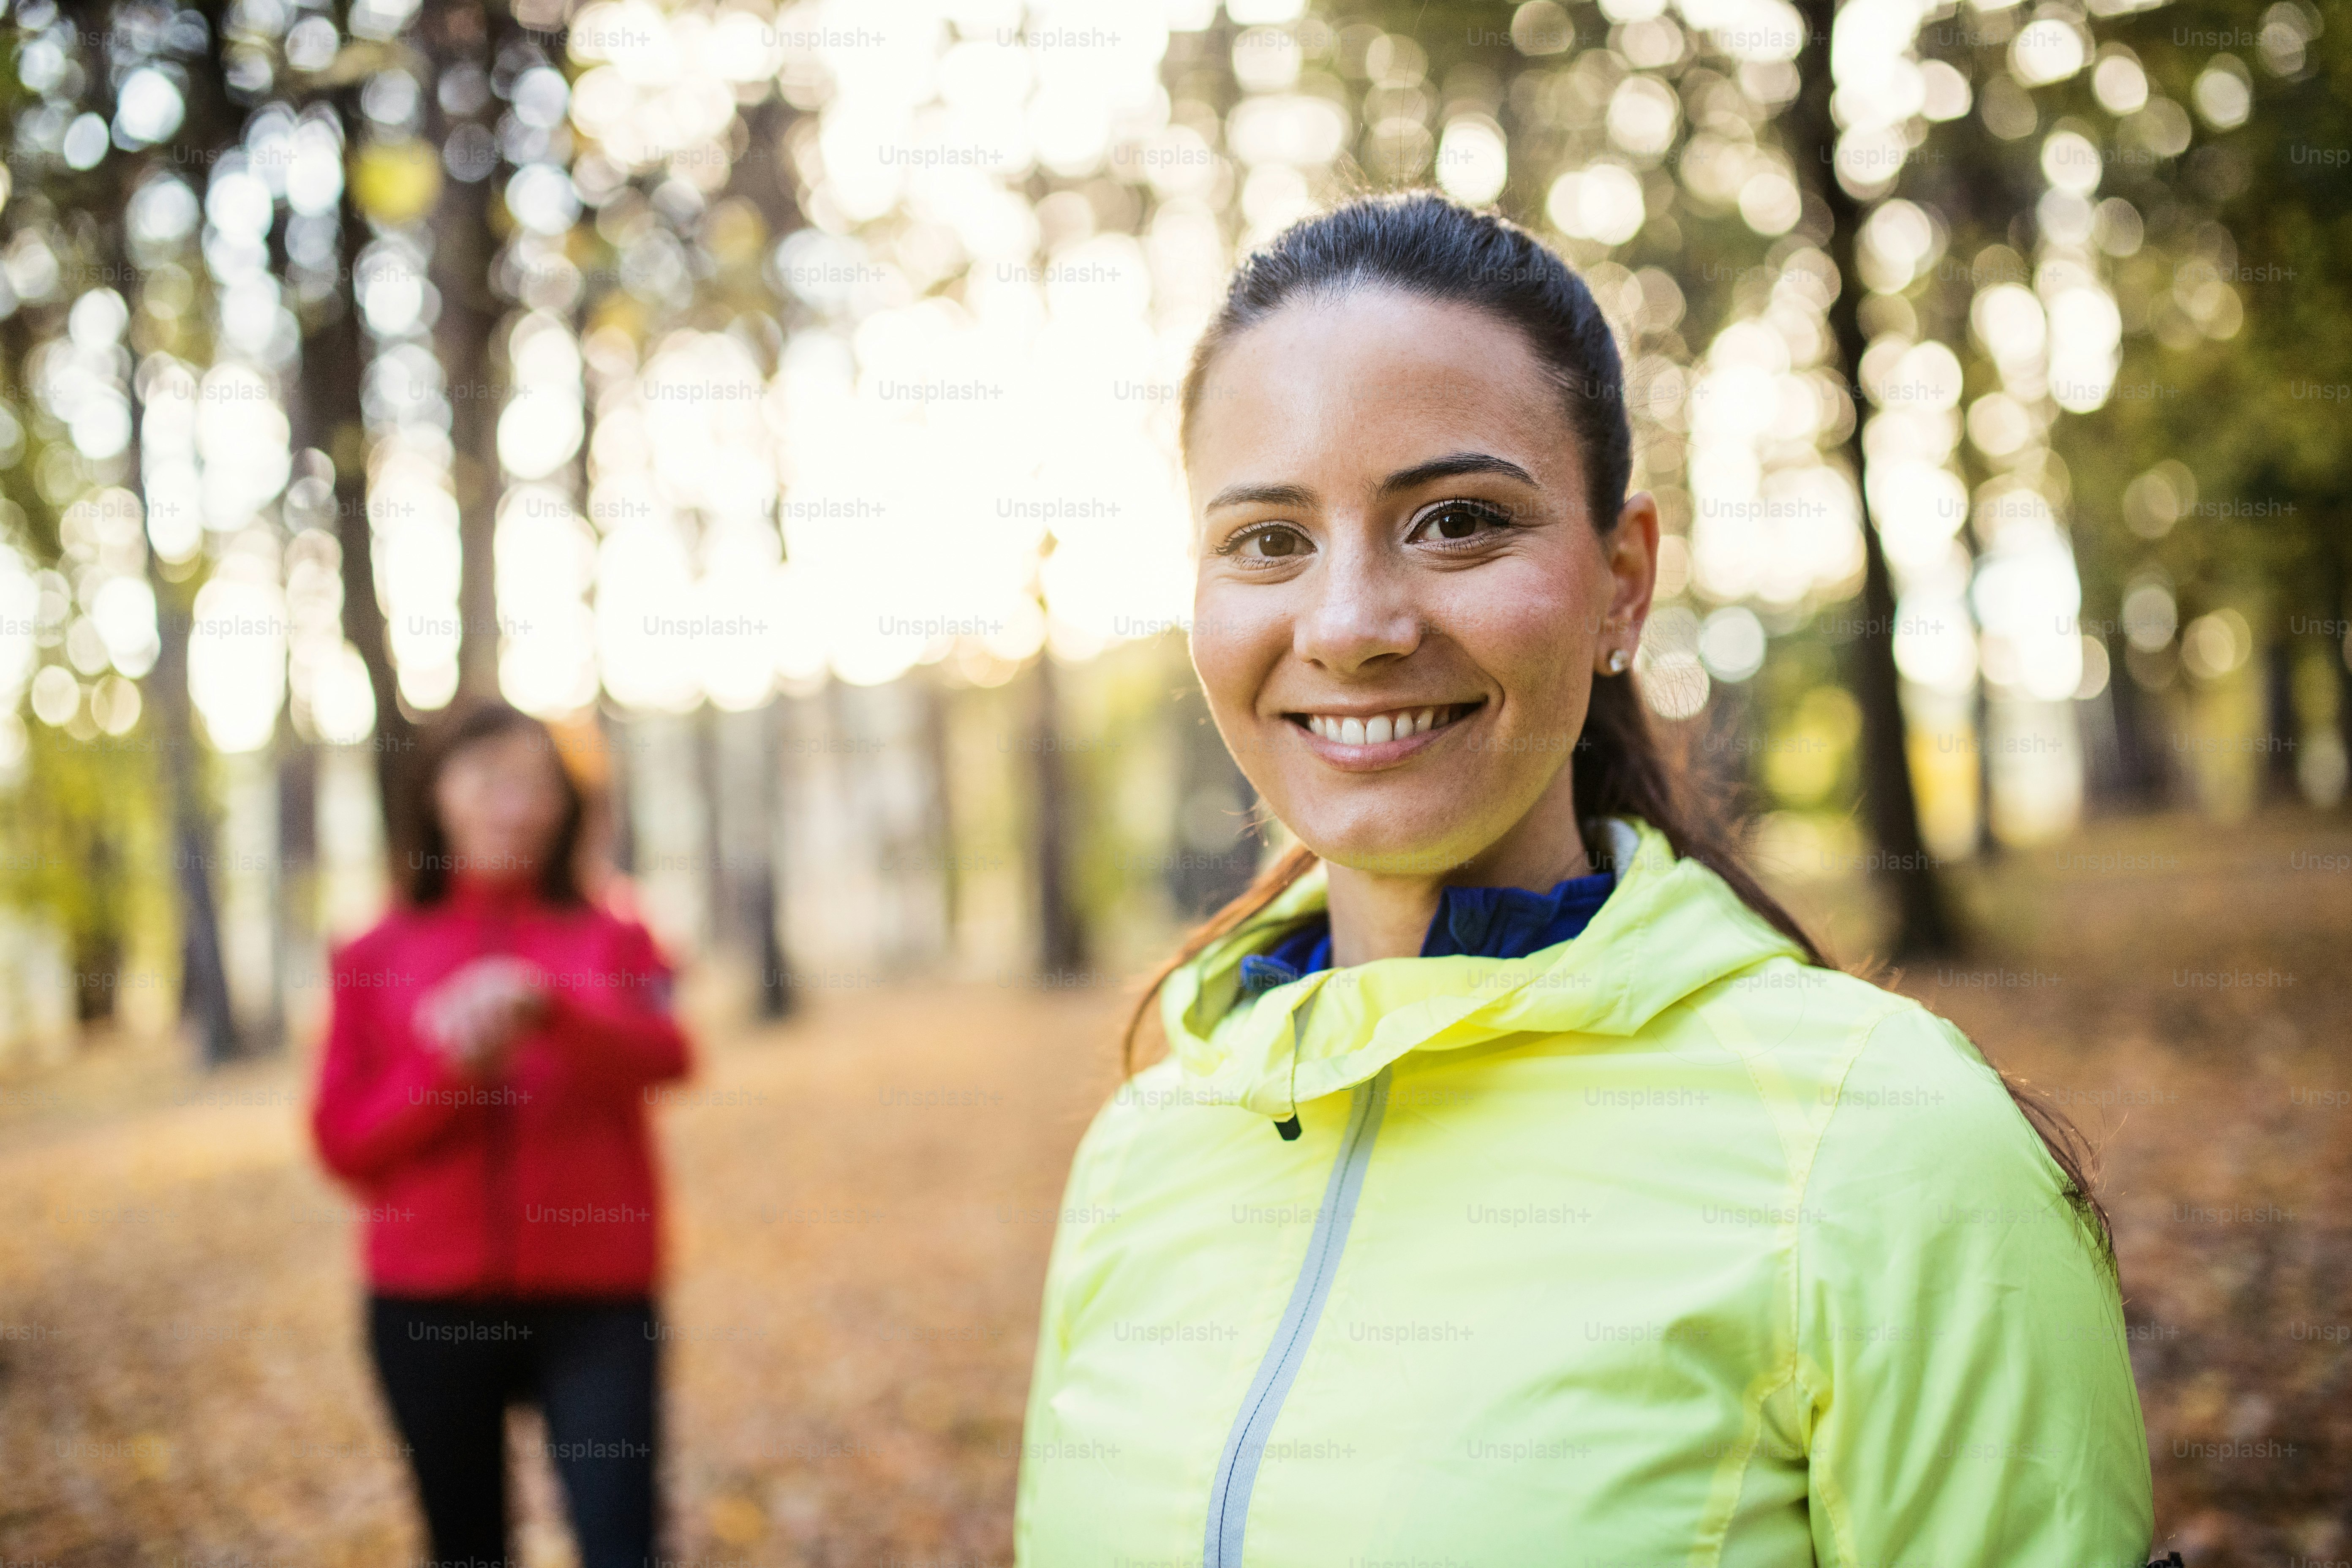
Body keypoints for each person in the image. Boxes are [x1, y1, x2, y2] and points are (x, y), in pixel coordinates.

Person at [1013, 194, 2156, 1563]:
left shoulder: (1890, 1150)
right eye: (1268, 539)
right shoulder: (1141, 1149)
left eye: (1453, 520)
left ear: (1619, 581)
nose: (1351, 626)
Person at [311, 700, 690, 1568]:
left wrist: (553, 1010)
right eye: (486, 778)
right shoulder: (372, 948)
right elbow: (343, 1144)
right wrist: (451, 1072)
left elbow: (670, 1054)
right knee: (466, 1545)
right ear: (435, 793)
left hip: (597, 1300)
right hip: (426, 1306)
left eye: (535, 781)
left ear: (567, 801)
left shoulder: (617, 929)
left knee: (623, 1541)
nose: (512, 804)